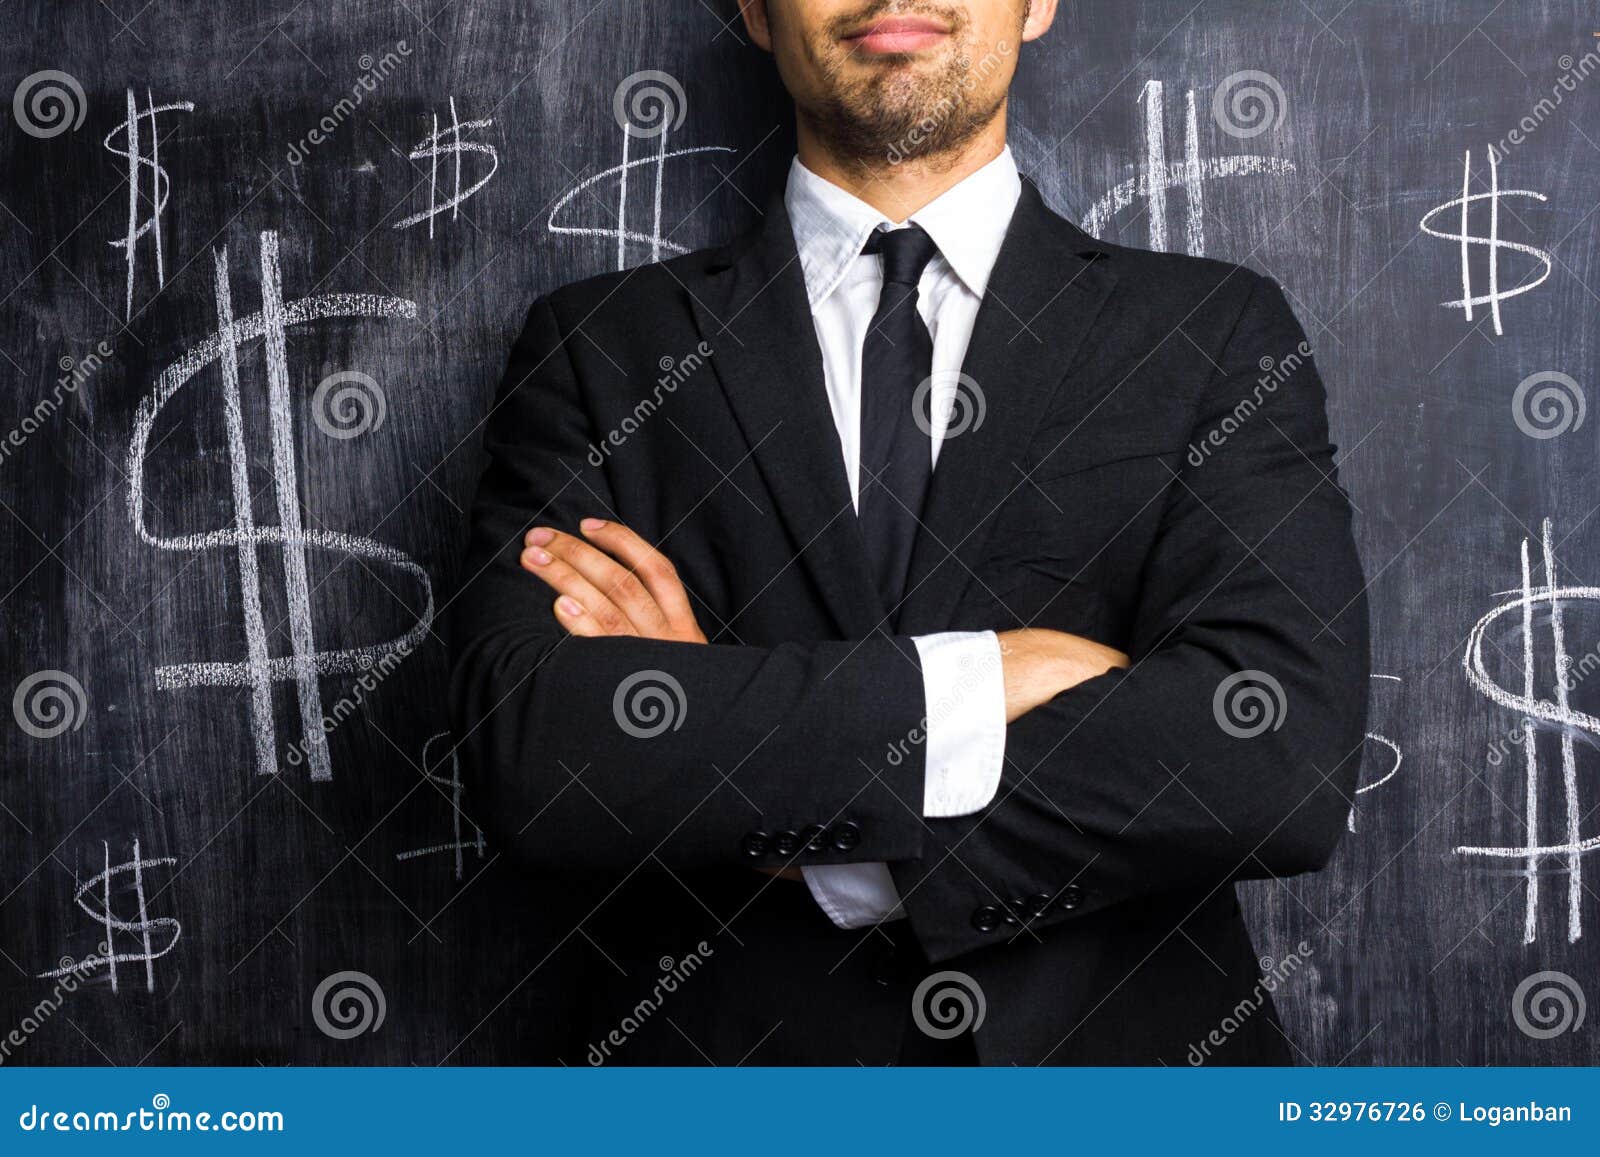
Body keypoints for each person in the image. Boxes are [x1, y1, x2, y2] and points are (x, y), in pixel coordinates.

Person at [449, 0, 1369, 1065]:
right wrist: (995, 676)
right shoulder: (601, 348)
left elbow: (1273, 757)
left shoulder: (1214, 331)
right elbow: (541, 757)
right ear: (754, 9)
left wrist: (753, 779)